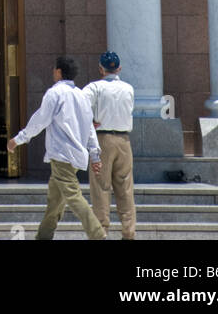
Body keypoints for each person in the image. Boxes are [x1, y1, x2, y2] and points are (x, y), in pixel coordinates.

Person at [7, 56, 106, 241]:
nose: (53, 71)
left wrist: (18, 139)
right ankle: (43, 236)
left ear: (59, 71)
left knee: (74, 197)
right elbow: (90, 128)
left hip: (62, 154)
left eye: (54, 69)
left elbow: (40, 120)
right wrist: (95, 155)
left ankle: (98, 234)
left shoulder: (55, 94)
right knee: (55, 202)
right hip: (76, 155)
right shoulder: (81, 96)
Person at [82, 50, 136, 240]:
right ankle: (129, 232)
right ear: (119, 68)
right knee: (125, 188)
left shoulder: (94, 87)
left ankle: (101, 232)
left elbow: (80, 107)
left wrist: (91, 121)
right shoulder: (129, 88)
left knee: (101, 187)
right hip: (124, 140)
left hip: (102, 139)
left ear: (100, 69)